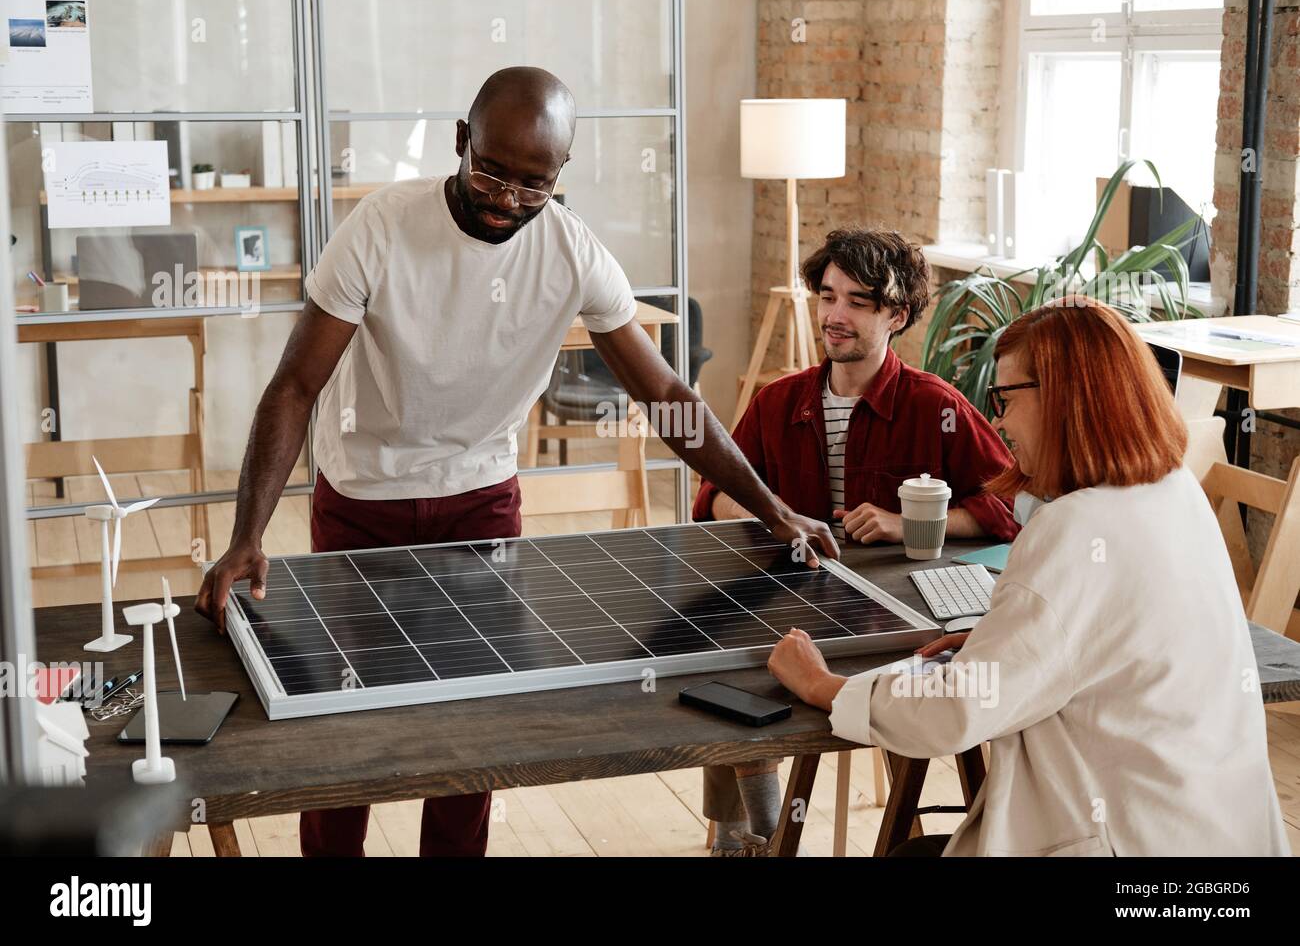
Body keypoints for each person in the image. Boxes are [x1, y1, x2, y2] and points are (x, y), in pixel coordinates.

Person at [194, 66, 836, 857]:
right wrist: (246, 535)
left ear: (560, 176)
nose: (506, 198)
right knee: (346, 720)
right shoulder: (381, 226)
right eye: (492, 170)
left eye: (534, 183)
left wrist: (771, 506)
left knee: (475, 734)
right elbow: (295, 385)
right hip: (364, 497)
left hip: (481, 502)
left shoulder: (573, 253)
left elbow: (665, 391)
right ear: (461, 142)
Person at [768, 295, 1290, 856]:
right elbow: (1124, 635)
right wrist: (1011, 643)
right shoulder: (1174, 490)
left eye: (1005, 397)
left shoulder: (1075, 527)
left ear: (1064, 397)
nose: (997, 420)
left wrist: (825, 687)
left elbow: (951, 713)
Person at [693, 226, 1018, 855]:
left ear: (896, 315)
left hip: (894, 613)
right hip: (786, 600)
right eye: (827, 296)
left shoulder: (936, 406)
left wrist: (910, 523)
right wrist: (775, 514)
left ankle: (908, 832)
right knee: (731, 664)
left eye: (857, 302)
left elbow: (1006, 504)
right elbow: (713, 496)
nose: (835, 316)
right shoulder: (776, 401)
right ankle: (748, 838)